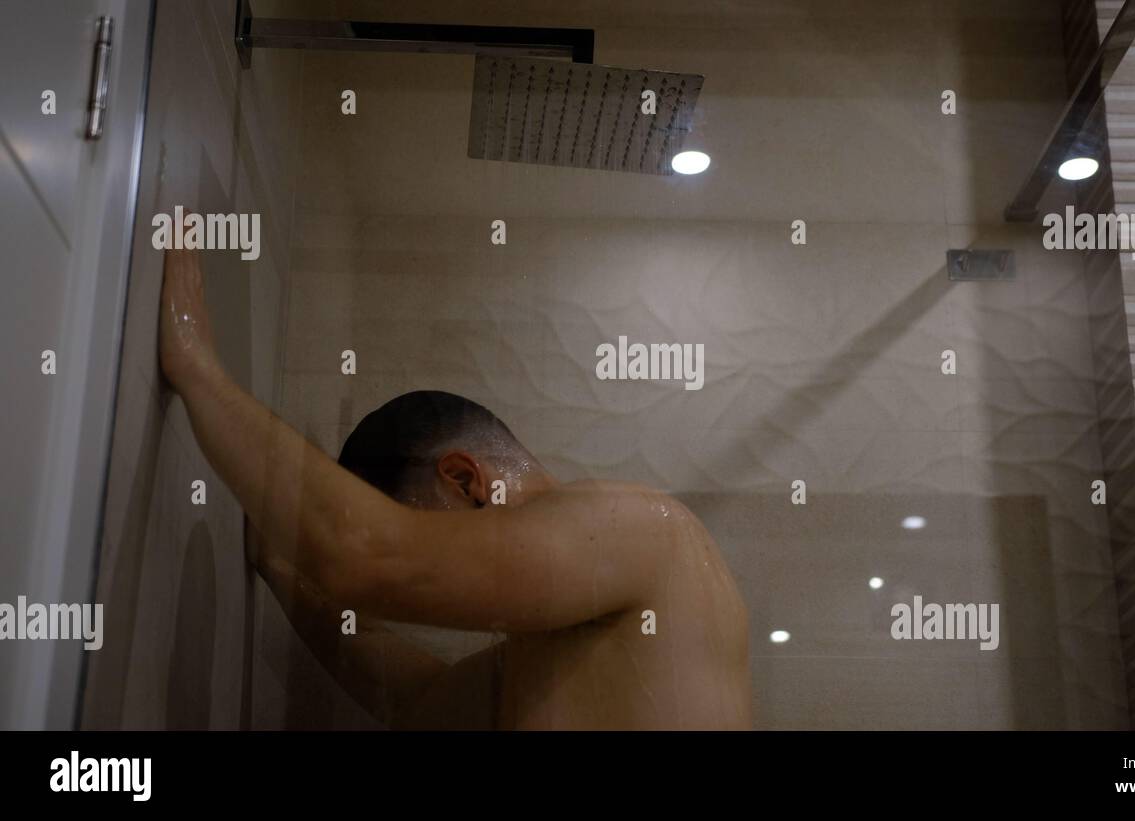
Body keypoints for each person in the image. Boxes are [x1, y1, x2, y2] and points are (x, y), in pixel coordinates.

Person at [157, 243, 751, 729]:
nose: (434, 567)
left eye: (419, 527)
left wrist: (200, 373)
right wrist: (281, 566)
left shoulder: (630, 527)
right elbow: (422, 700)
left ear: (466, 481)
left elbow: (369, 554)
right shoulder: (549, 648)